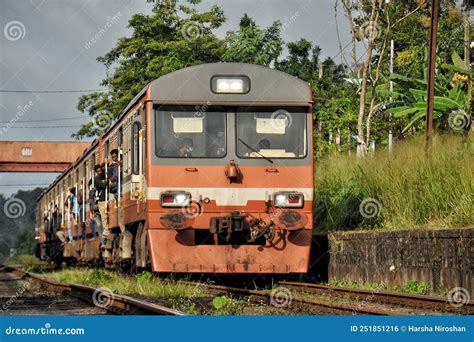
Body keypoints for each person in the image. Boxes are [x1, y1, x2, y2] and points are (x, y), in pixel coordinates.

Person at [94, 164, 110, 238]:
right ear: (96, 172)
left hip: (107, 198)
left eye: (100, 170)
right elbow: (103, 185)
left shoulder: (104, 175)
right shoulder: (96, 179)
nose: (100, 172)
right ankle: (106, 230)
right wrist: (106, 181)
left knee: (107, 215)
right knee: (104, 216)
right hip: (101, 199)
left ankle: (107, 228)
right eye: (98, 171)